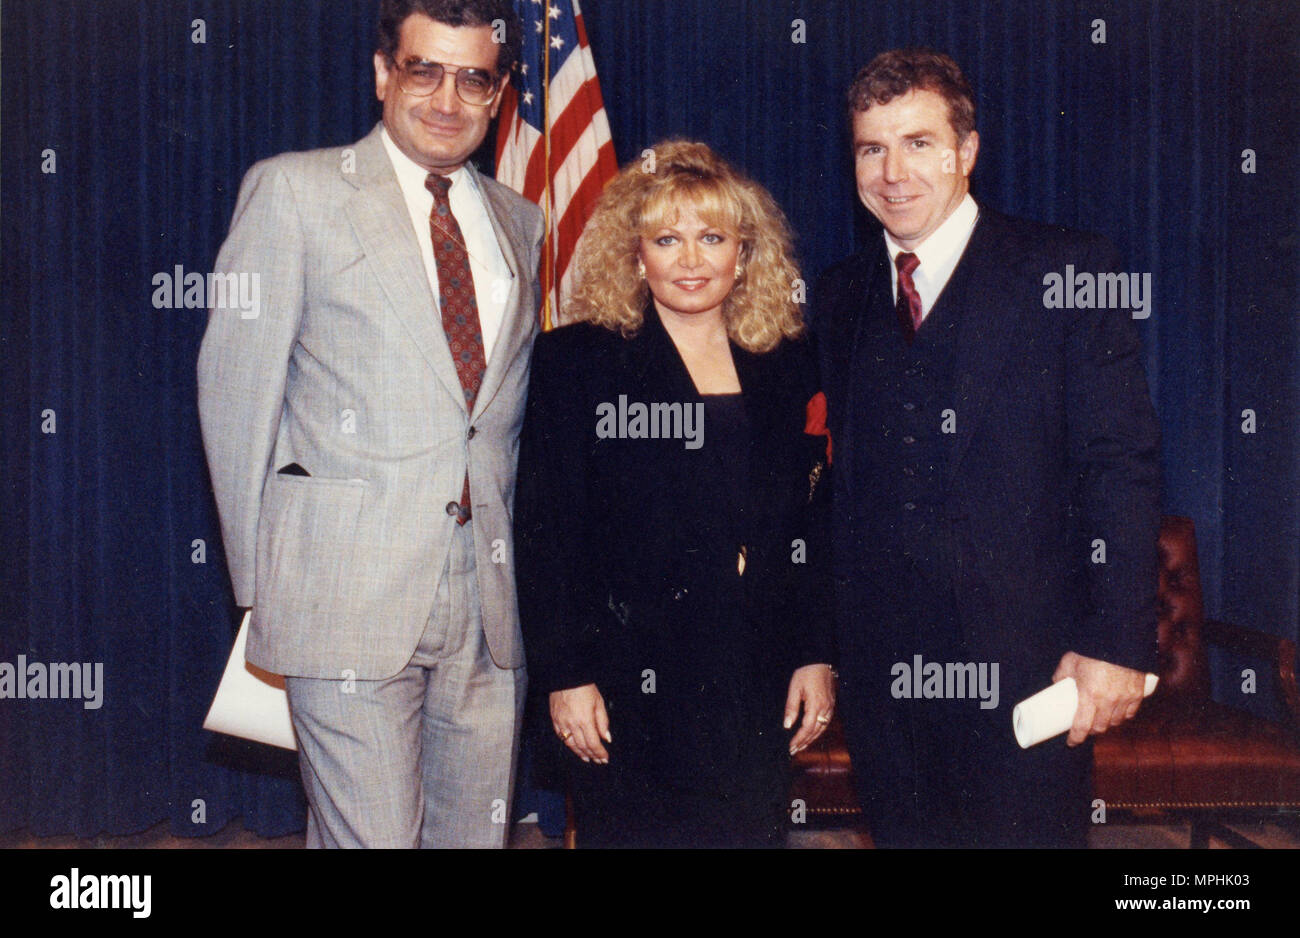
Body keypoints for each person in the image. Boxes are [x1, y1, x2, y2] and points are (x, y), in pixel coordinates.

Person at [196, 0, 544, 848]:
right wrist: (266, 590)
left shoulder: (520, 222)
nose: (447, 99)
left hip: (490, 613)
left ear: (497, 95)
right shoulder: (295, 191)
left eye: (474, 79)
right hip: (341, 594)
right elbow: (233, 398)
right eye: (424, 70)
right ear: (383, 73)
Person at [811, 49, 1161, 848]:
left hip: (1026, 668)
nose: (893, 172)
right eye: (872, 148)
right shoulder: (837, 295)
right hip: (884, 681)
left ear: (968, 151)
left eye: (919, 143)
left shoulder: (1069, 270)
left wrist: (1114, 642)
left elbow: (1121, 467)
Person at [514, 140, 836, 848]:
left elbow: (811, 525)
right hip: (627, 677)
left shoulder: (788, 360)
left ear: (744, 253)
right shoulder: (577, 364)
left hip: (754, 671)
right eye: (667, 239)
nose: (691, 260)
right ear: (636, 254)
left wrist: (814, 652)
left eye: (712, 238)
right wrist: (567, 675)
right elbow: (548, 536)